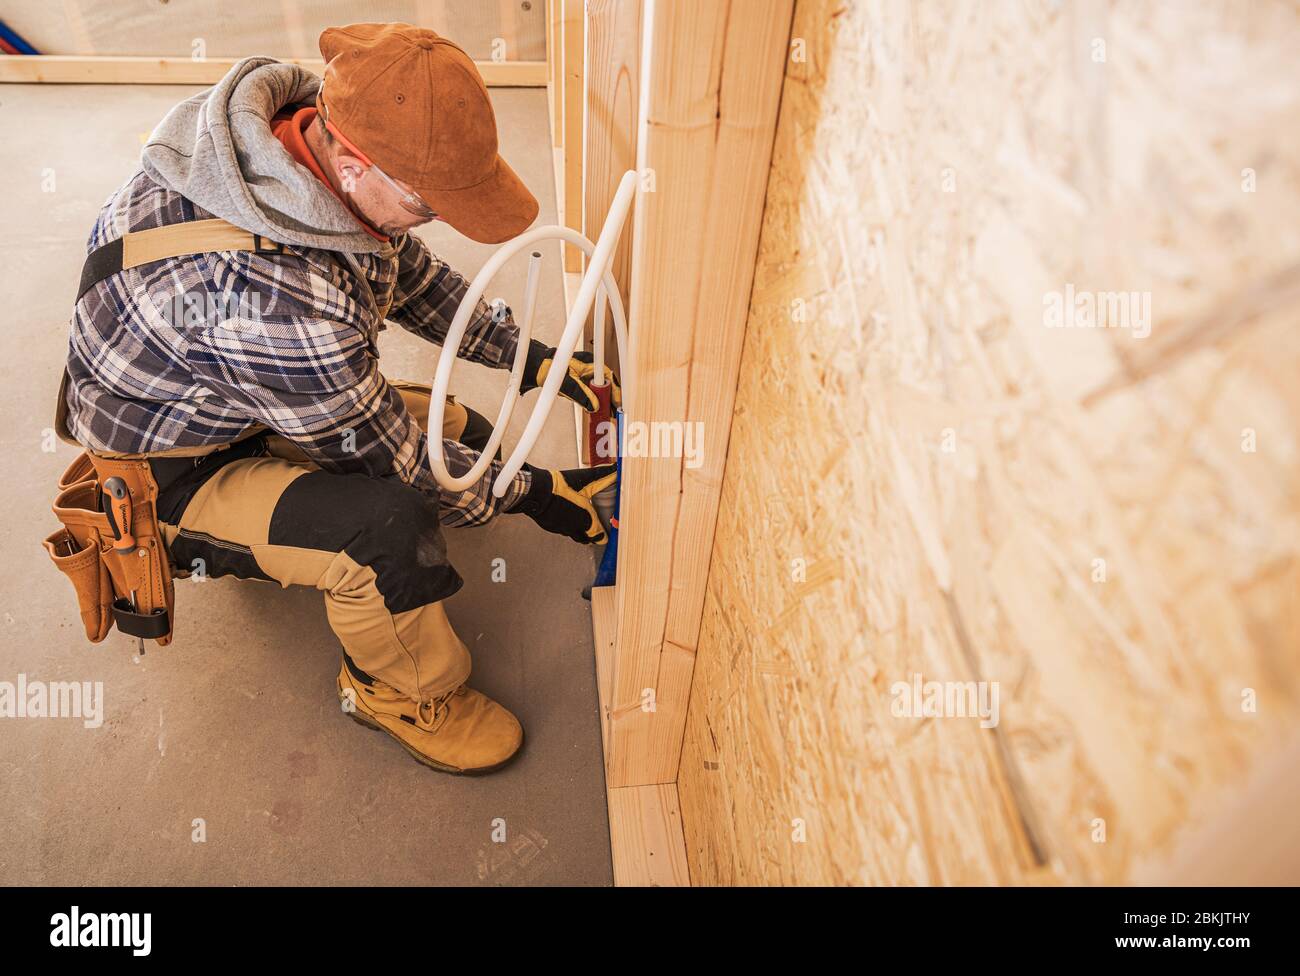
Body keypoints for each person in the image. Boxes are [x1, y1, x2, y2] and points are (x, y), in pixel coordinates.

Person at [58, 23, 618, 775]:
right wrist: (543, 495)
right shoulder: (272, 303)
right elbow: (401, 465)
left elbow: (408, 272)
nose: (437, 222)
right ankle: (396, 694)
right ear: (355, 168)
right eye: (429, 205)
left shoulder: (284, 152)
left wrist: (532, 358)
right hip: (174, 473)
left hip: (227, 396)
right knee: (390, 527)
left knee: (457, 426)